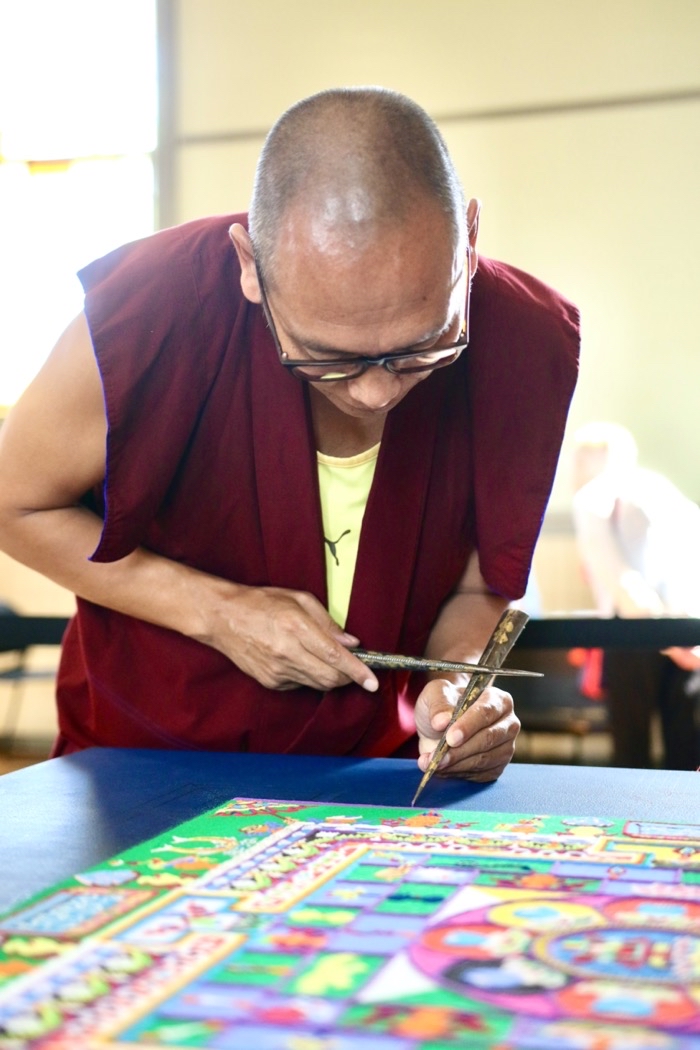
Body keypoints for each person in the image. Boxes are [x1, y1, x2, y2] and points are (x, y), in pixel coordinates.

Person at [0, 87, 580, 780]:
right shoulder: (152, 309)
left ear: (471, 241)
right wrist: (217, 611)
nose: (376, 393)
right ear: (249, 266)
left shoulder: (523, 340)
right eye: (328, 357)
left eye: (423, 348)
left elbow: (480, 583)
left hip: (380, 773)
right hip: (147, 759)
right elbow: (15, 503)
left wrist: (453, 692)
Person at [572, 421, 700, 769]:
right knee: (686, 749)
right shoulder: (663, 490)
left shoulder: (593, 496)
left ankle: (629, 824)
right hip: (687, 631)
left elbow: (618, 577)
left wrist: (667, 639)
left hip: (634, 633)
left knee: (631, 754)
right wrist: (685, 641)